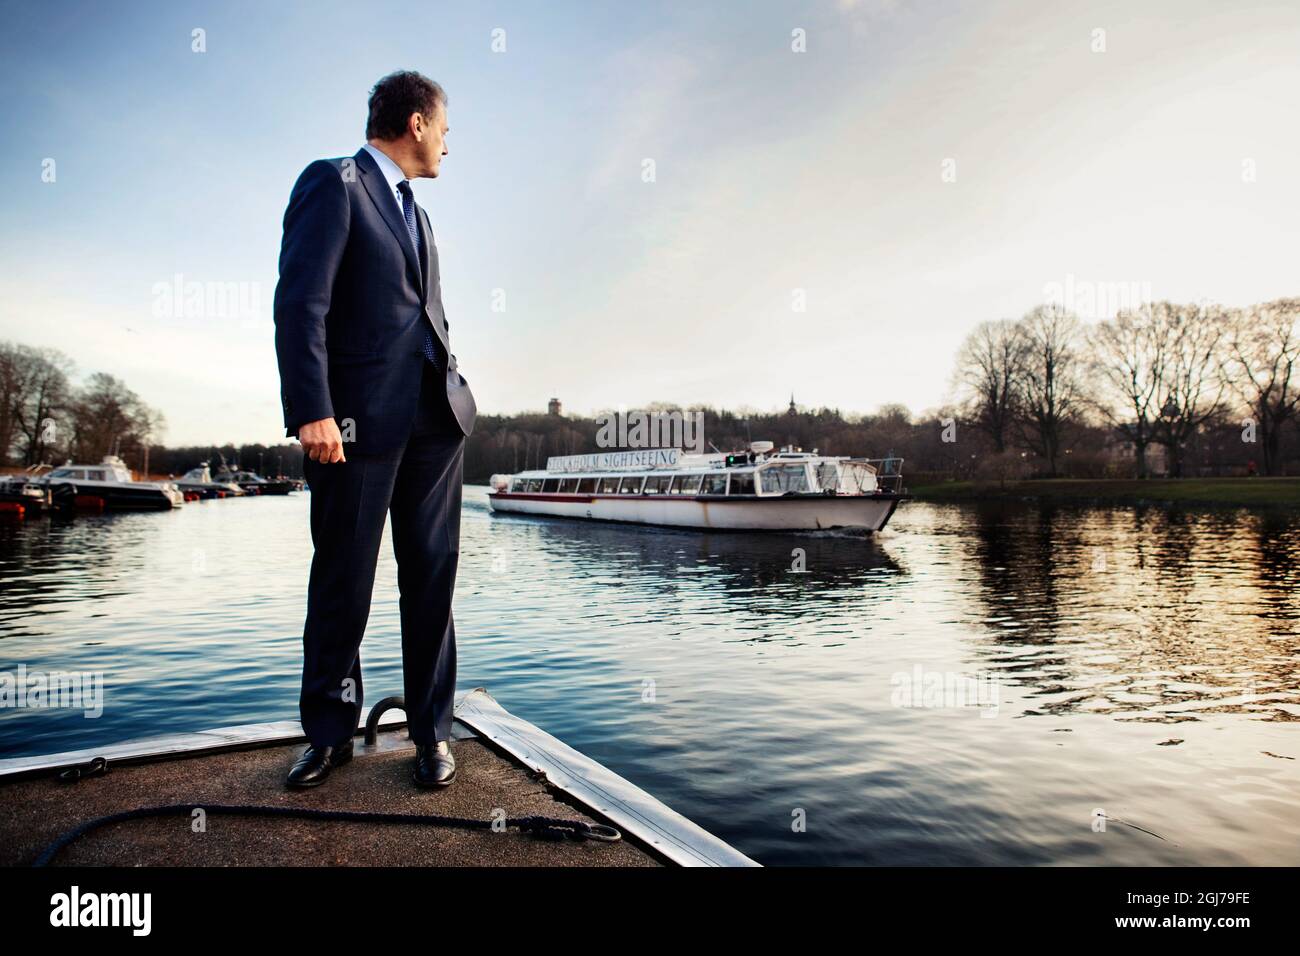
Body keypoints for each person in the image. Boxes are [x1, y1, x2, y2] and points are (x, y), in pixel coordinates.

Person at [273, 70, 476, 790]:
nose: (450, 143)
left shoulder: (417, 213)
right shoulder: (336, 183)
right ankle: (329, 733)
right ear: (417, 121)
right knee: (343, 579)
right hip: (351, 425)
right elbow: (301, 304)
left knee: (432, 577)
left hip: (434, 423)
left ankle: (431, 733)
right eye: (445, 128)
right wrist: (311, 408)